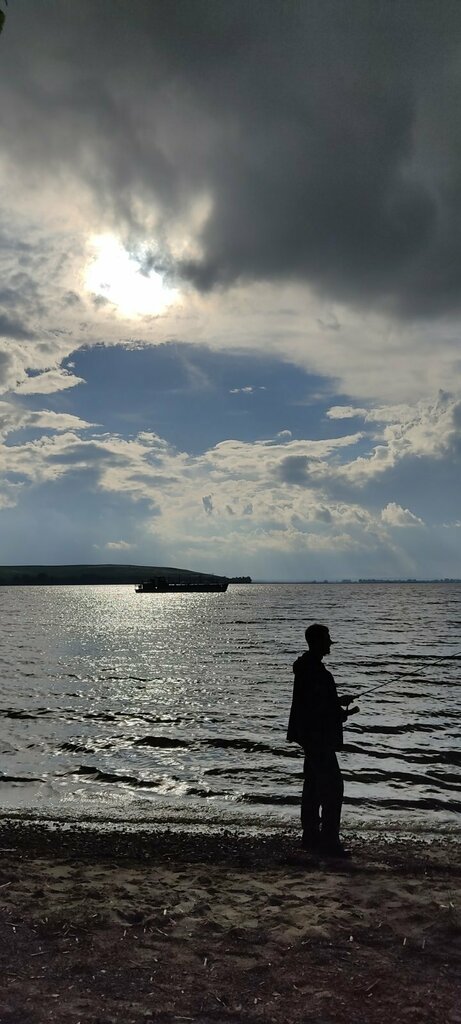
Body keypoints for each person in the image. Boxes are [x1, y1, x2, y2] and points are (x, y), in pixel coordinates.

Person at [287, 623, 358, 858]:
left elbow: (316, 703)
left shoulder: (308, 669)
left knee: (313, 788)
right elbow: (318, 709)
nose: (330, 643)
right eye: (327, 639)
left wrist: (337, 702)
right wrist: (340, 714)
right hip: (318, 739)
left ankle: (310, 837)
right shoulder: (317, 672)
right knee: (333, 788)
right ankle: (329, 842)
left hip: (309, 737)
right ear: (317, 642)